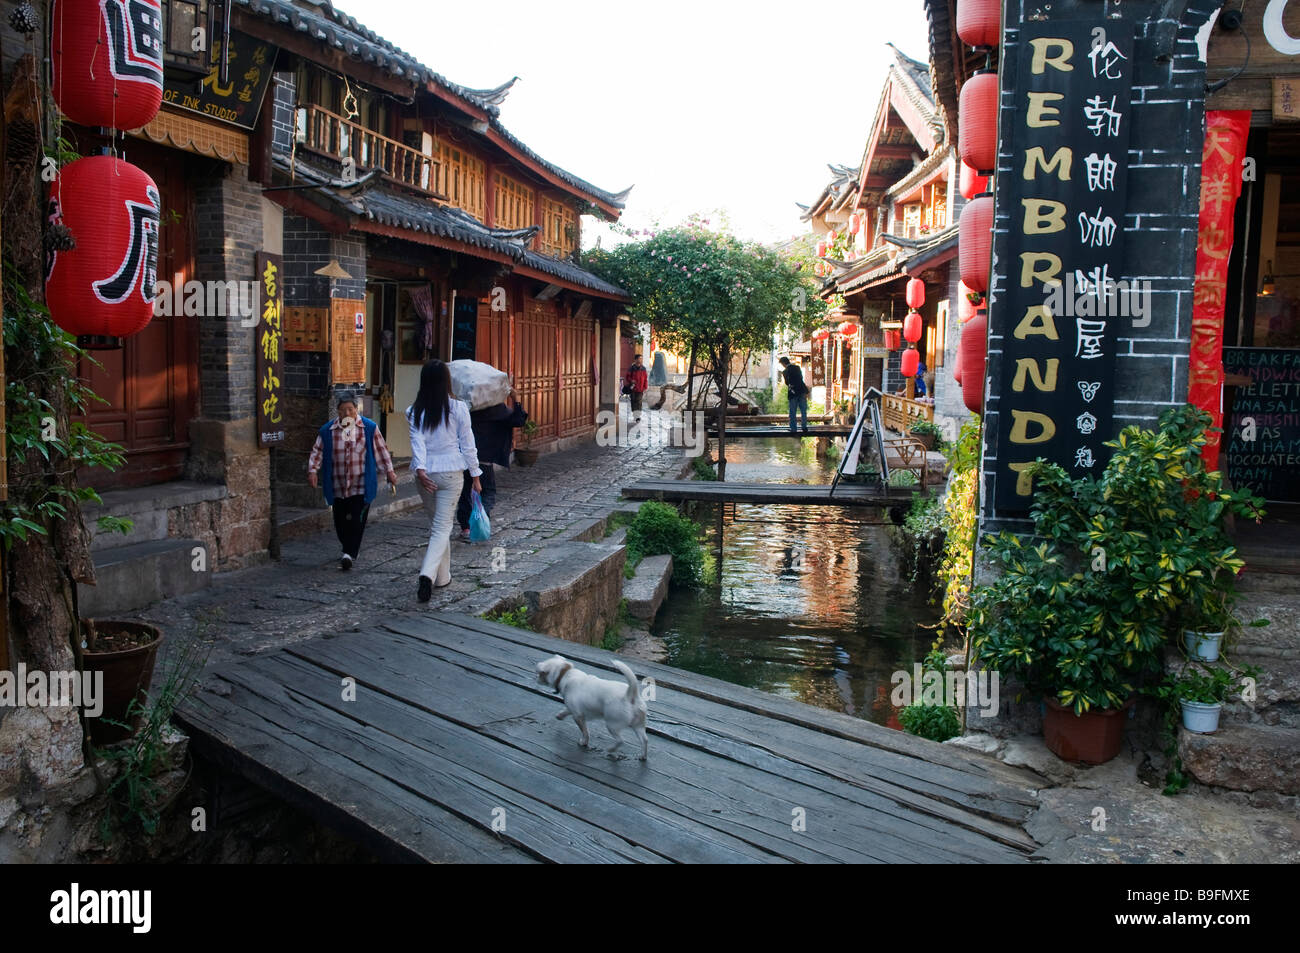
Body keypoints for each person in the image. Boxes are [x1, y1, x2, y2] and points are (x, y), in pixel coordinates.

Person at [407, 359, 481, 603]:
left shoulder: (414, 410)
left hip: (426, 474)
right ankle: (427, 575)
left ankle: (443, 577)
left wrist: (420, 468)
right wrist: (476, 474)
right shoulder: (458, 409)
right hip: (451, 472)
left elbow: (417, 442)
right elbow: (468, 445)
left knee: (438, 526)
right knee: (442, 527)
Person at [307, 391, 399, 571]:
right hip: (338, 484)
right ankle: (347, 547)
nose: (346, 414)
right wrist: (313, 471)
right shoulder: (328, 431)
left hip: (361, 484)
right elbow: (317, 452)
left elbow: (381, 451)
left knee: (357, 518)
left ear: (356, 410)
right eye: (342, 411)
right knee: (340, 521)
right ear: (337, 412)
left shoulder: (369, 428)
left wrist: (389, 471)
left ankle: (349, 553)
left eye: (350, 410)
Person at [456, 396, 529, 541]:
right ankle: (481, 518)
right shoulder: (498, 410)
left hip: (464, 457)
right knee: (487, 492)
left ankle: (466, 528)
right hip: (485, 458)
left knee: (464, 493)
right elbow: (518, 420)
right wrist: (516, 399)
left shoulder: (466, 408)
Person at [779, 356, 809, 434]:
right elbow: (801, 378)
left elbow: (787, 383)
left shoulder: (785, 372)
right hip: (802, 390)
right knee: (803, 410)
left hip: (793, 393)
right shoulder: (797, 368)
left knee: (793, 411)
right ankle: (804, 427)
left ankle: (793, 428)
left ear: (783, 363)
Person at [624, 353, 649, 422]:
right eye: (639, 359)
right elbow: (627, 377)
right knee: (633, 401)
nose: (640, 360)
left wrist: (645, 387)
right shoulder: (631, 368)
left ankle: (638, 416)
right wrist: (631, 380)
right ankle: (635, 415)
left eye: (641, 359)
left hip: (641, 388)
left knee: (639, 402)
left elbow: (645, 378)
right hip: (633, 388)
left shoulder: (643, 368)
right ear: (635, 360)